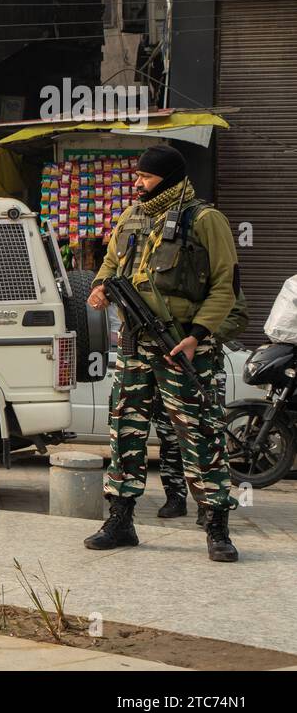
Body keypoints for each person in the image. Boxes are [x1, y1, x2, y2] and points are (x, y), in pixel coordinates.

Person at [85, 144, 241, 561]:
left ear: (169, 178)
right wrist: (100, 288)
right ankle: (120, 520)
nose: (137, 183)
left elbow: (226, 286)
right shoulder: (131, 217)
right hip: (136, 346)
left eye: (146, 177)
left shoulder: (207, 220)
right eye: (137, 176)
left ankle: (217, 527)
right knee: (125, 430)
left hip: (183, 347)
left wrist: (195, 335)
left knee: (200, 433)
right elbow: (109, 265)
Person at [153, 288, 248, 525]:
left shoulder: (218, 282)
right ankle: (175, 497)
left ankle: (207, 506)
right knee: (169, 435)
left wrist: (203, 335)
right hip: (168, 365)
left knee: (207, 436)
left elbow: (238, 316)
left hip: (206, 368)